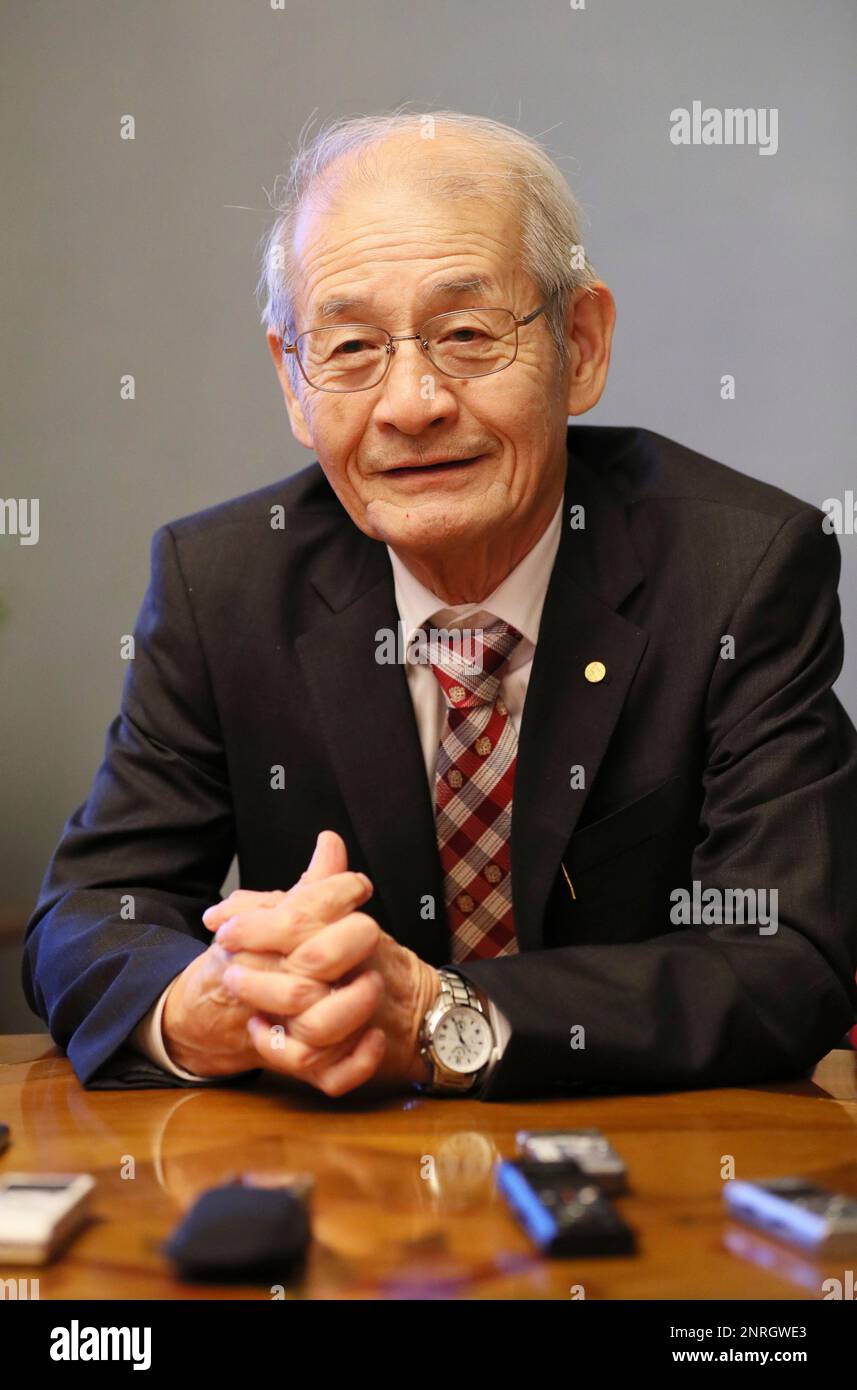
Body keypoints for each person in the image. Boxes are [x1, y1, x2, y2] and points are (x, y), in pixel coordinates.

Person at [23, 110, 857, 1100]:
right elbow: (92, 911)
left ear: (579, 344)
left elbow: (784, 954)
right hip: (331, 1175)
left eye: (466, 334)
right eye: (349, 348)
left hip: (645, 1160)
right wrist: (205, 1003)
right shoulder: (224, 585)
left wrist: (439, 1015)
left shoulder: (737, 568)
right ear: (294, 382)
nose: (410, 403)